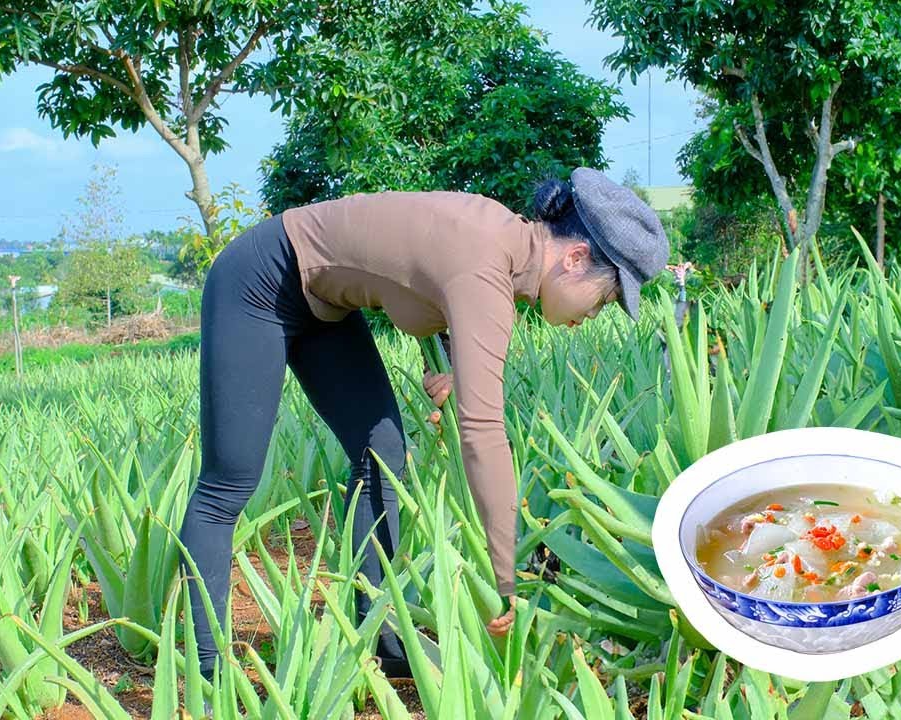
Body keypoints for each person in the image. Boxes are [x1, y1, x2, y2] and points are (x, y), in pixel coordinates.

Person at [179, 168, 670, 678]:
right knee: (229, 482)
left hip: (323, 306)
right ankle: (209, 673)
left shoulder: (504, 248)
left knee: (381, 455)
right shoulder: (486, 268)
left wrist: (452, 363)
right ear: (575, 258)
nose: (597, 313)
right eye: (608, 297)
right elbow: (483, 434)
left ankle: (379, 635)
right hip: (258, 282)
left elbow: (420, 275)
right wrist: (508, 585)